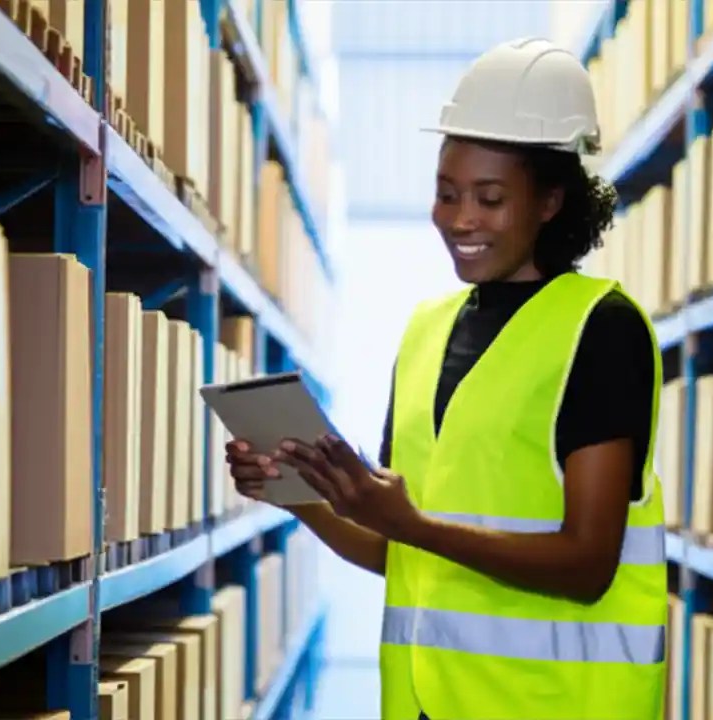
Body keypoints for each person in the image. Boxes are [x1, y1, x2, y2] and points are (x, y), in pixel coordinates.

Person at [225, 37, 666, 720]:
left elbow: (588, 563)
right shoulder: (426, 331)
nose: (461, 219)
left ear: (551, 201)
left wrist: (413, 526)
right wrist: (300, 497)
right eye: (446, 193)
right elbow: (394, 552)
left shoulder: (600, 330)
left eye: (490, 198)